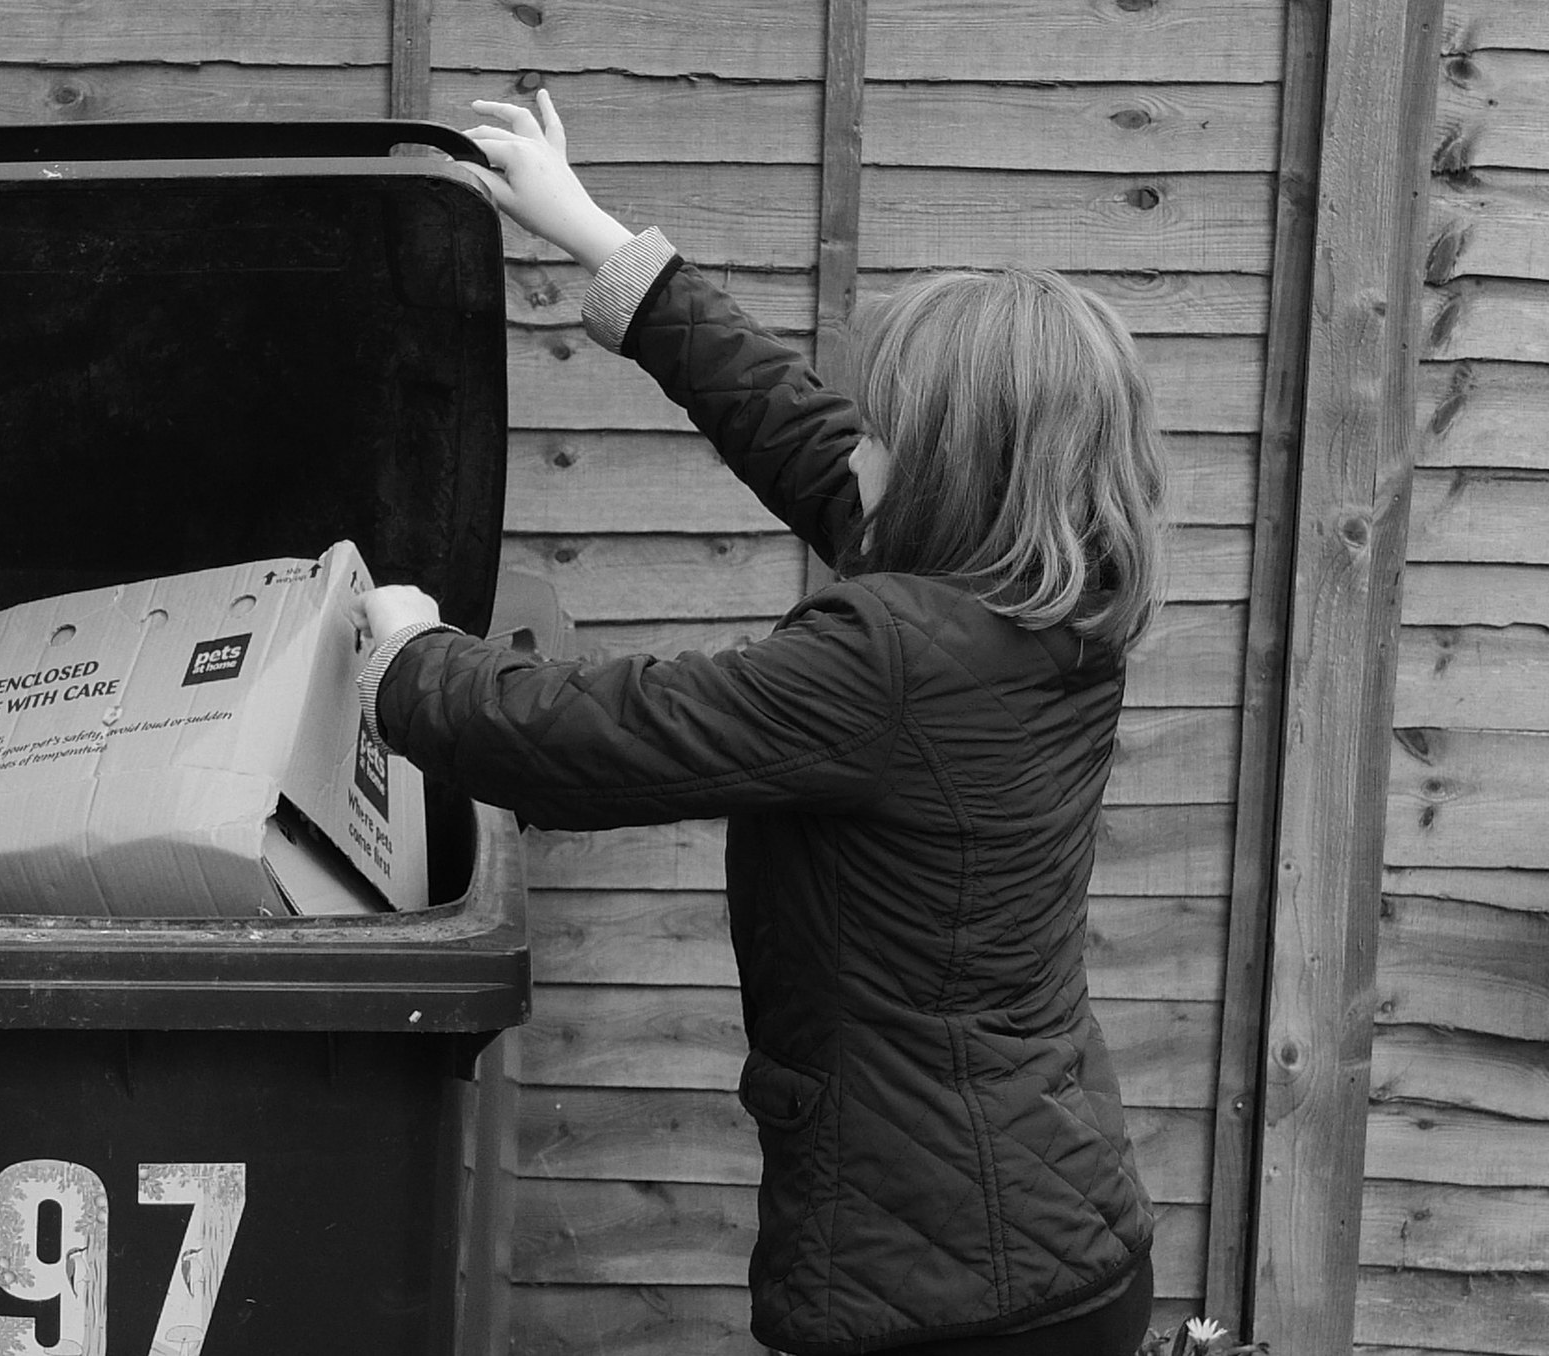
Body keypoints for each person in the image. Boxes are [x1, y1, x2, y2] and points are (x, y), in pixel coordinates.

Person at [355, 90, 1165, 1356]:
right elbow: (795, 428)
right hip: (1055, 1240)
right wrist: (601, 242)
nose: (856, 445)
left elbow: (604, 733)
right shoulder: (1049, 596)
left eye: (885, 427)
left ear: (950, 469)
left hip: (944, 1304)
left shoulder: (890, 662)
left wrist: (406, 660)